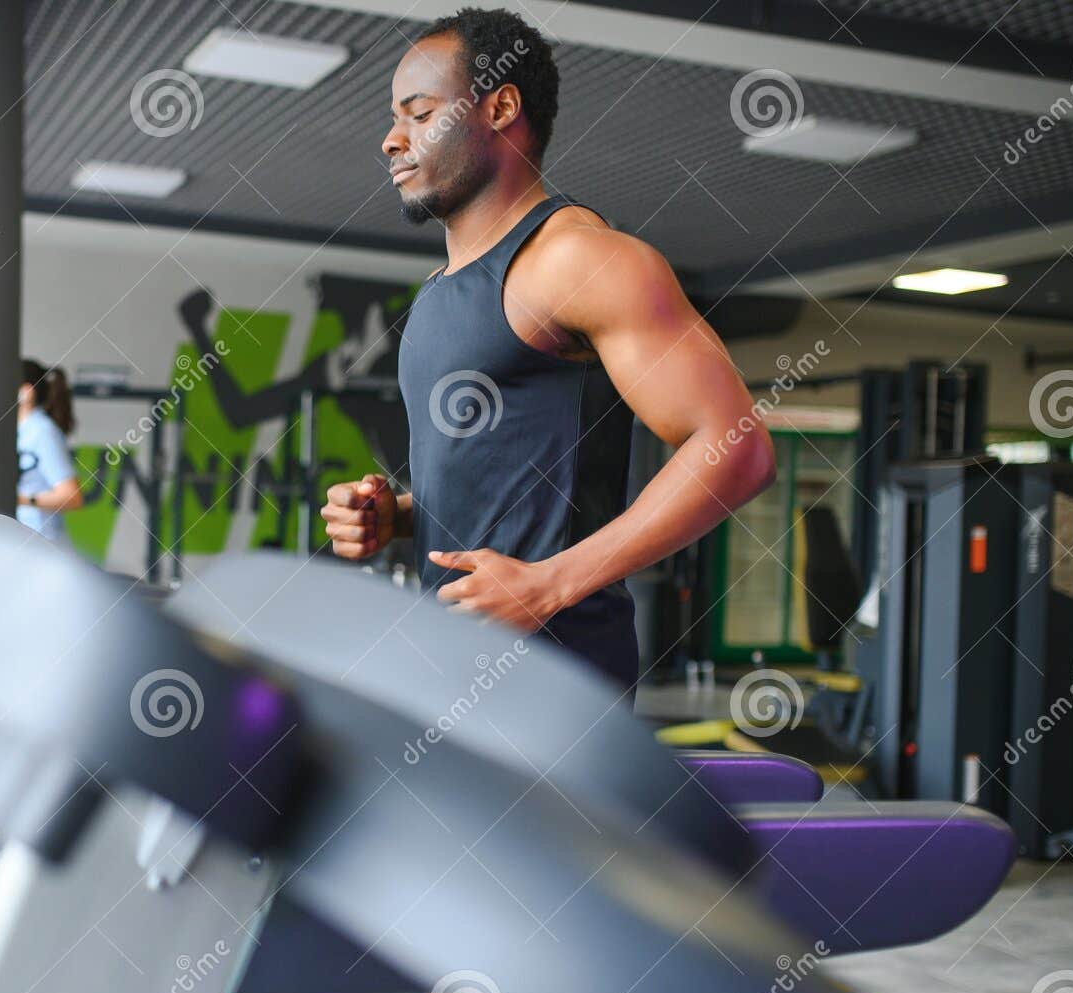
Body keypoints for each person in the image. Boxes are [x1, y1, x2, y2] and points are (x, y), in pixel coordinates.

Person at [321, 6, 775, 695]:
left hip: (560, 688)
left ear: (500, 106)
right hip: (454, 674)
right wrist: (401, 516)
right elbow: (521, 487)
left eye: (418, 114)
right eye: (395, 117)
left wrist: (551, 583)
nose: (392, 139)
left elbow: (739, 445)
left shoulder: (576, 260)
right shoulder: (444, 289)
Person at [16, 360, 83, 541]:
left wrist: (22, 499)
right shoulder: (20, 429)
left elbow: (71, 496)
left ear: (26, 392)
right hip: (18, 538)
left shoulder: (43, 431)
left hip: (41, 540)